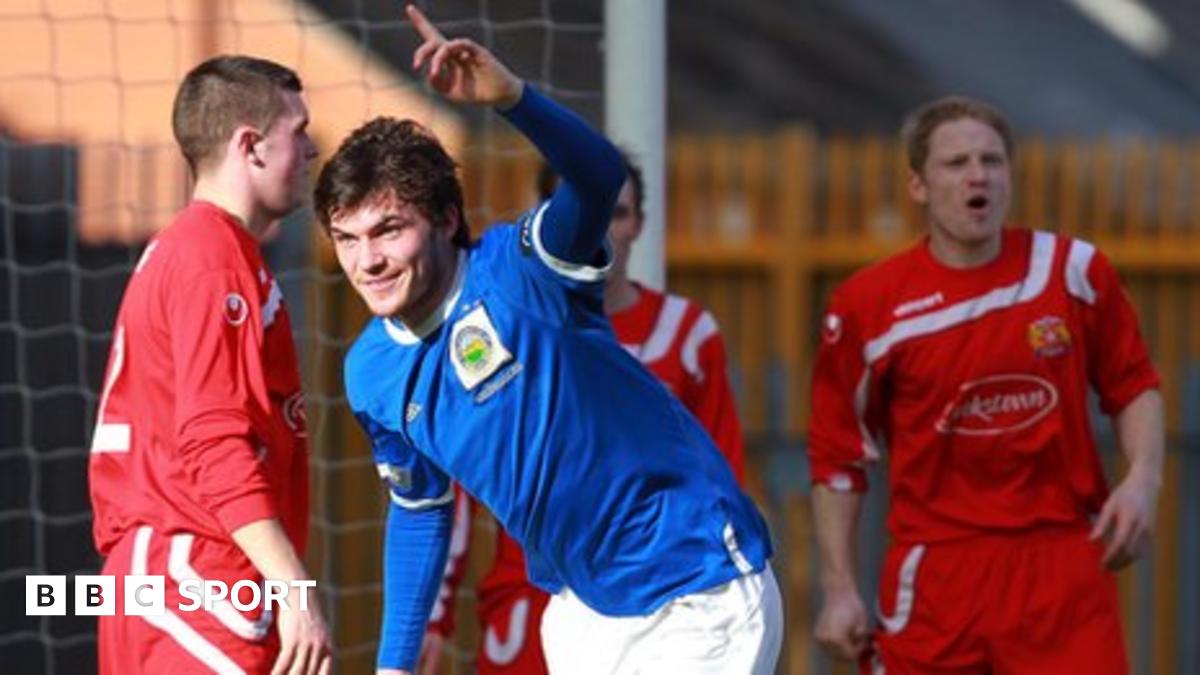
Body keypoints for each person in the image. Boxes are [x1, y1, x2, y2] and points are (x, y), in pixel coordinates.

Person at [314, 5, 781, 674]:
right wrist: (395, 665)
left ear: (446, 218)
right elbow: (419, 509)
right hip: (581, 610)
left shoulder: (524, 267)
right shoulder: (371, 371)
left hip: (693, 584)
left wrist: (513, 98)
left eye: (389, 230)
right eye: (347, 238)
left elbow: (599, 179)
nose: (368, 261)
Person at [807, 95, 1164, 674]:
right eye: (957, 163)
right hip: (937, 575)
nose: (978, 176)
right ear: (918, 185)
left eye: (992, 161)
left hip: (1061, 567)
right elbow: (838, 458)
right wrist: (840, 587)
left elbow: (1133, 385)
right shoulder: (868, 306)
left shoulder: (1072, 271)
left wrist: (1143, 480)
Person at [418, 155, 749, 675]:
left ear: (639, 224)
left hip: (662, 592)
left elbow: (724, 477)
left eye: (616, 213)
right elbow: (457, 488)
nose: (600, 227)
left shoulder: (688, 334)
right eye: (581, 209)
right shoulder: (502, 329)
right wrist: (432, 618)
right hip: (532, 592)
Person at [88, 55, 331, 674]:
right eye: (298, 130)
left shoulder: (198, 250)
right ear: (250, 146)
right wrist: (294, 590)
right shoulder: (212, 260)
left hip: (161, 579)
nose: (311, 149)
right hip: (196, 578)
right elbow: (214, 440)